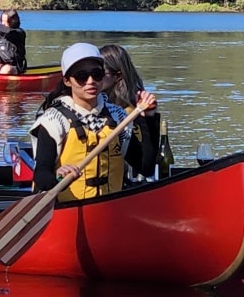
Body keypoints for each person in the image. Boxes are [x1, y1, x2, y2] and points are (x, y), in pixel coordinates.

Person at [29, 42, 159, 200]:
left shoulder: (117, 116)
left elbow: (146, 168)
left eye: (96, 74)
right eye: (81, 76)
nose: (90, 81)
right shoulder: (54, 120)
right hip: (68, 211)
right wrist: (57, 176)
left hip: (110, 210)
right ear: (67, 81)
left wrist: (149, 118)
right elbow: (41, 174)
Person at [98, 43, 172, 180]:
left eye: (100, 72)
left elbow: (145, 165)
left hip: (129, 180)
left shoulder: (134, 110)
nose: (93, 78)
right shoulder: (97, 106)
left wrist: (149, 118)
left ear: (118, 76)